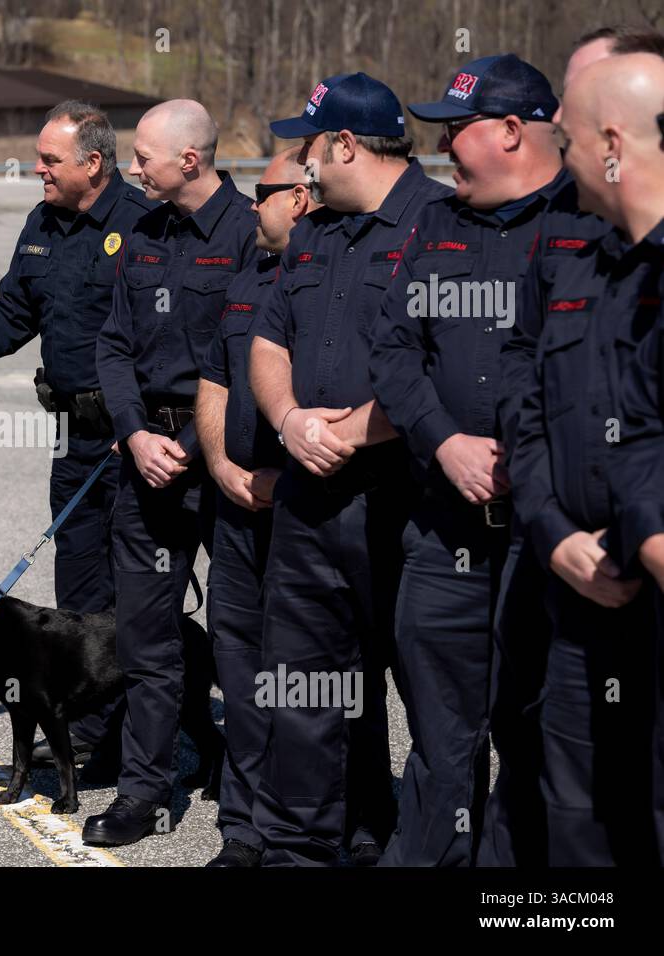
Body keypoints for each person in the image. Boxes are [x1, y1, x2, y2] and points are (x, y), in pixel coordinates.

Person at [0, 101, 156, 774]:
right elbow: (12, 312)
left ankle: (151, 744)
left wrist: (142, 421)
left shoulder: (143, 226)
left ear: (93, 163)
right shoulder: (41, 224)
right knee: (77, 596)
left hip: (137, 444)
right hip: (77, 440)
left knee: (141, 594)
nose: (37, 169)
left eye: (49, 160)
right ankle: (96, 739)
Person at [248, 72, 452, 866]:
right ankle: (301, 849)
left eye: (307, 144)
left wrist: (359, 433)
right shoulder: (316, 231)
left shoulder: (441, 226)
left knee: (428, 699)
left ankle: (412, 847)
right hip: (309, 500)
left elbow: (447, 365)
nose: (299, 164)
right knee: (304, 689)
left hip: (406, 501)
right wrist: (292, 421)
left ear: (343, 144)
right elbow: (268, 341)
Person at [368, 54, 564, 866]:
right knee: (441, 736)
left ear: (513, 131)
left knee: (539, 735)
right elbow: (393, 354)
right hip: (443, 529)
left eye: (457, 132)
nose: (443, 149)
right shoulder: (437, 224)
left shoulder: (588, 225)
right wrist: (443, 440)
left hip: (546, 540)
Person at [482, 24, 664, 869]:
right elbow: (531, 401)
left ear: (614, 143)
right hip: (575, 609)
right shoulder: (588, 267)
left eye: (575, 132)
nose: (560, 142)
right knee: (576, 837)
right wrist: (555, 534)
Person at [84, 99, 259, 847]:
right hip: (146, 467)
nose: (131, 169)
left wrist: (190, 442)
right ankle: (142, 794)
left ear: (190, 159)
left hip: (224, 466)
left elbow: (255, 358)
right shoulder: (144, 233)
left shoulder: (251, 233)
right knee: (147, 641)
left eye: (143, 156)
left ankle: (250, 810)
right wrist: (132, 432)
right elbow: (113, 345)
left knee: (242, 638)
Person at [196, 146, 316, 867]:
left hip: (310, 514)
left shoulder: (337, 280)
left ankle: (355, 822)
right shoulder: (250, 279)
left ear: (299, 198)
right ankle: (243, 829)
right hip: (238, 510)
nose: (249, 205)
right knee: (239, 674)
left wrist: (290, 481)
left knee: (325, 679)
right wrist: (219, 462)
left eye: (263, 192)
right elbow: (215, 375)